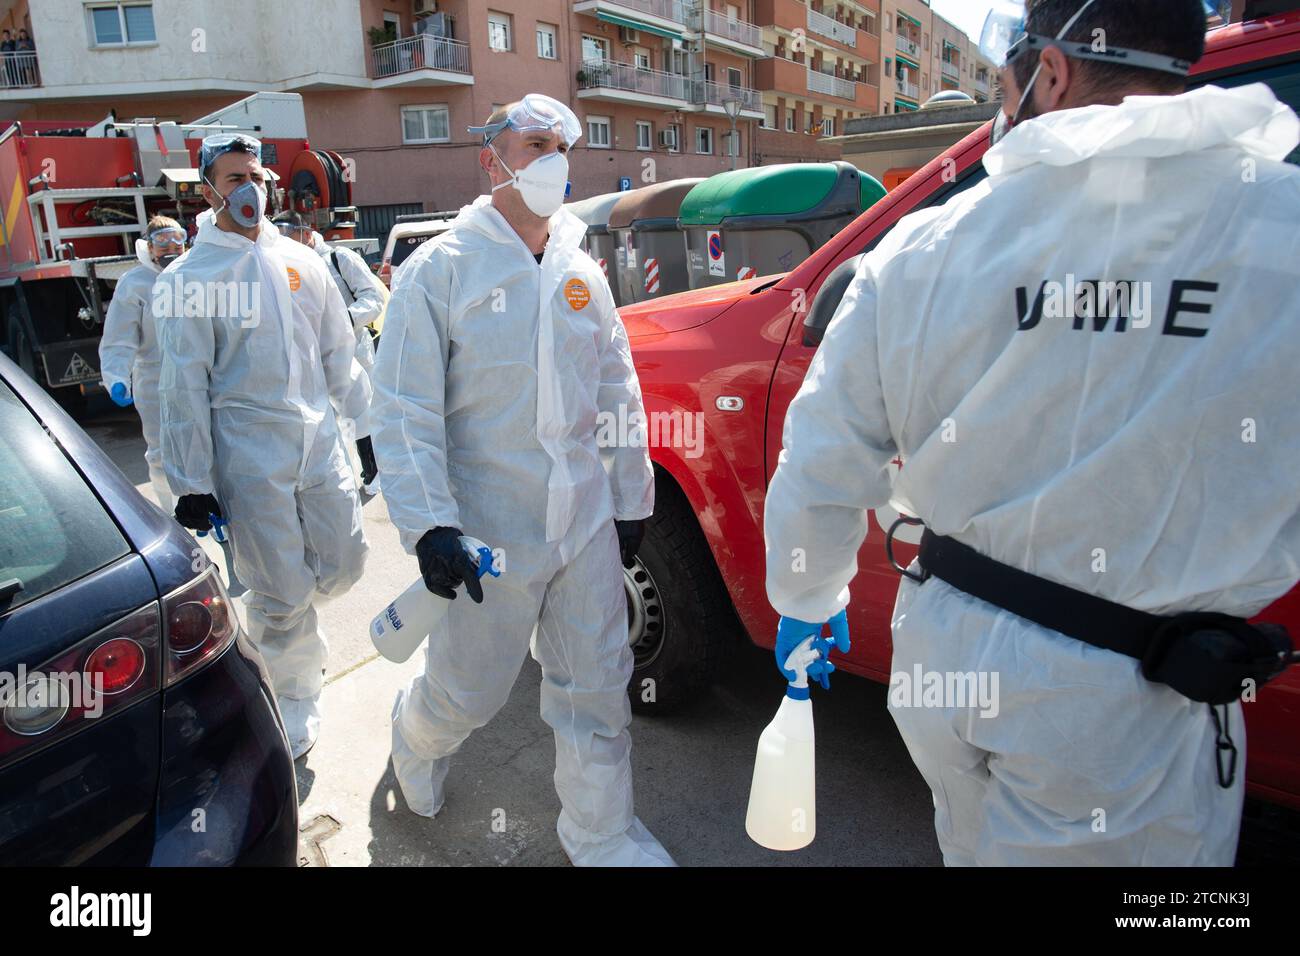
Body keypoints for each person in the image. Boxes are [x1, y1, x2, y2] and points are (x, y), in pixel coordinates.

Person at [764, 0, 1300, 866]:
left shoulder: (920, 248)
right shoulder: (1281, 228)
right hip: (1124, 713)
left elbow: (823, 456)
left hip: (945, 659)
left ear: (1050, 71)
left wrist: (805, 602)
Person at [370, 95, 673, 866]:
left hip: (582, 525)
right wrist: (431, 526)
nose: (554, 159)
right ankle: (414, 733)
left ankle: (601, 834)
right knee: (469, 693)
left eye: (563, 144)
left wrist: (630, 496)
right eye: (534, 143)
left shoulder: (580, 270)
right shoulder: (442, 269)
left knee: (597, 688)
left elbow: (617, 389)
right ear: (491, 158)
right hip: (486, 532)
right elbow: (404, 407)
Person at [154, 133, 370, 759]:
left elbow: (339, 352)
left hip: (319, 443)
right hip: (249, 455)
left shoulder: (302, 262)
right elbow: (182, 384)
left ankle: (294, 620)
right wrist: (190, 481)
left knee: (347, 560)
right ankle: (293, 689)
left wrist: (366, 426)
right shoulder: (192, 277)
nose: (249, 188)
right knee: (279, 589)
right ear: (208, 189)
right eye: (233, 177)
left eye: (256, 174)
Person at [274, 211, 387, 490]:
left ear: (307, 234)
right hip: (308, 354)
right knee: (324, 421)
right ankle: (337, 477)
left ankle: (373, 470)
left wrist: (343, 320)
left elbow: (372, 297)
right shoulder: (281, 268)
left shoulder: (339, 259)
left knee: (362, 412)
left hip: (352, 350)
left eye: (289, 236)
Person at [98, 216, 185, 515]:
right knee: (162, 453)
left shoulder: (196, 276)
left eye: (178, 240)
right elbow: (119, 337)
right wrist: (116, 375)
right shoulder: (135, 284)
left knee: (208, 448)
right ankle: (174, 513)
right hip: (154, 381)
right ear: (148, 247)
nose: (171, 248)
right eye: (162, 242)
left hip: (198, 377)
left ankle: (213, 513)